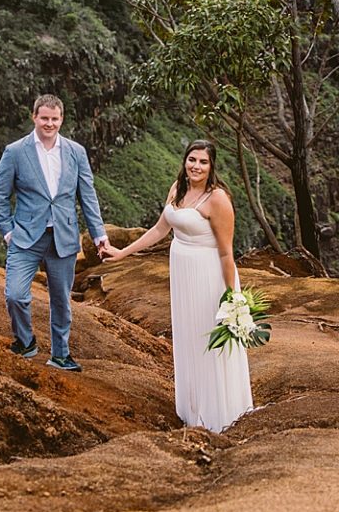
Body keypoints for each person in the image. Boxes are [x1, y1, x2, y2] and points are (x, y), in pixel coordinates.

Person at [100, 138, 253, 433]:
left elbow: (225, 251)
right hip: (182, 271)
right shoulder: (177, 188)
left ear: (212, 166)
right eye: (192, 160)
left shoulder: (218, 199)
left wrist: (232, 295)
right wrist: (123, 252)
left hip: (208, 273)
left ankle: (219, 414)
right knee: (189, 335)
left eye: (203, 162)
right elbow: (160, 229)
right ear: (185, 161)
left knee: (210, 340)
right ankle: (192, 408)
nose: (196, 166)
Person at [0, 93, 108, 372]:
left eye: (55, 119)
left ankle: (61, 354)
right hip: (25, 236)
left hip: (63, 236)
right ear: (34, 117)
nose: (49, 124)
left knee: (61, 301)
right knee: (15, 295)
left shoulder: (76, 152)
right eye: (44, 118)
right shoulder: (16, 151)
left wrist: (99, 233)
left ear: (61, 119)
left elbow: (87, 196)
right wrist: (7, 231)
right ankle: (26, 341)